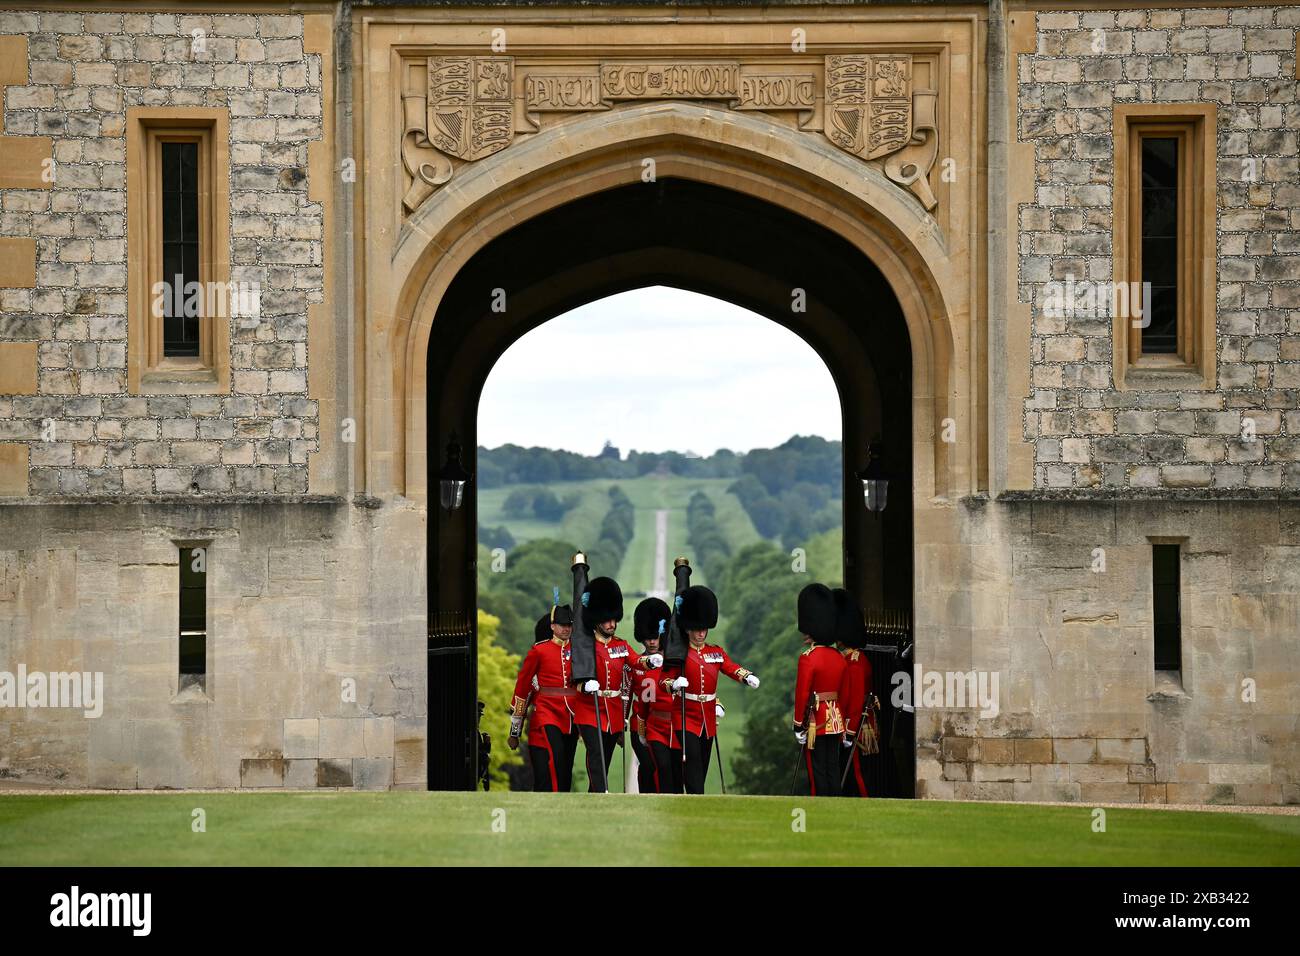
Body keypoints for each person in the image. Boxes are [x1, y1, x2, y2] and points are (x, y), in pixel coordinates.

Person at [660, 585, 760, 794]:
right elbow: (663, 681)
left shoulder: (715, 652)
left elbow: (729, 667)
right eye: (697, 629)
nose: (701, 634)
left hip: (707, 717)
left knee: (703, 762)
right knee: (693, 759)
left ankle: (695, 794)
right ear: (688, 628)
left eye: (704, 629)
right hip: (686, 715)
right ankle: (696, 797)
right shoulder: (679, 653)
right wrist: (675, 684)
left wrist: (746, 676)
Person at [573, 576, 662, 792]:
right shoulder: (584, 645)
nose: (612, 624)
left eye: (614, 620)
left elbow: (634, 660)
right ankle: (602, 793)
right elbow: (571, 677)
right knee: (596, 755)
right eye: (607, 620)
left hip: (612, 712)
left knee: (606, 758)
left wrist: (648, 661)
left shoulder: (620, 645)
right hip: (590, 710)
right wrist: (584, 686)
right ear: (596, 620)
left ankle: (595, 796)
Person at [508, 602, 579, 792]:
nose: (566, 629)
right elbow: (522, 690)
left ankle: (563, 799)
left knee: (566, 763)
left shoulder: (578, 649)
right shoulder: (539, 650)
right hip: (547, 711)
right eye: (562, 625)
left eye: (569, 625)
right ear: (552, 627)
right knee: (555, 756)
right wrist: (515, 731)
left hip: (572, 714)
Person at [793, 582, 846, 797]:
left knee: (816, 768)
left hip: (815, 720)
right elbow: (843, 692)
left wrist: (798, 725)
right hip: (835, 718)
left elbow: (802, 694)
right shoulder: (840, 658)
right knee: (833, 765)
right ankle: (836, 801)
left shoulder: (808, 658)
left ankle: (821, 803)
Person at [834, 587, 878, 798]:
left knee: (858, 774)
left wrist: (848, 731)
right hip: (853, 723)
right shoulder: (849, 658)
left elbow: (854, 701)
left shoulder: (855, 662)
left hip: (857, 725)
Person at [630, 597, 673, 793]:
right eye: (648, 637)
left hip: (666, 726)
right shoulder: (636, 664)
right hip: (638, 726)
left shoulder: (673, 664)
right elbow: (626, 696)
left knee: (666, 769)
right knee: (649, 766)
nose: (652, 642)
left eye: (656, 637)